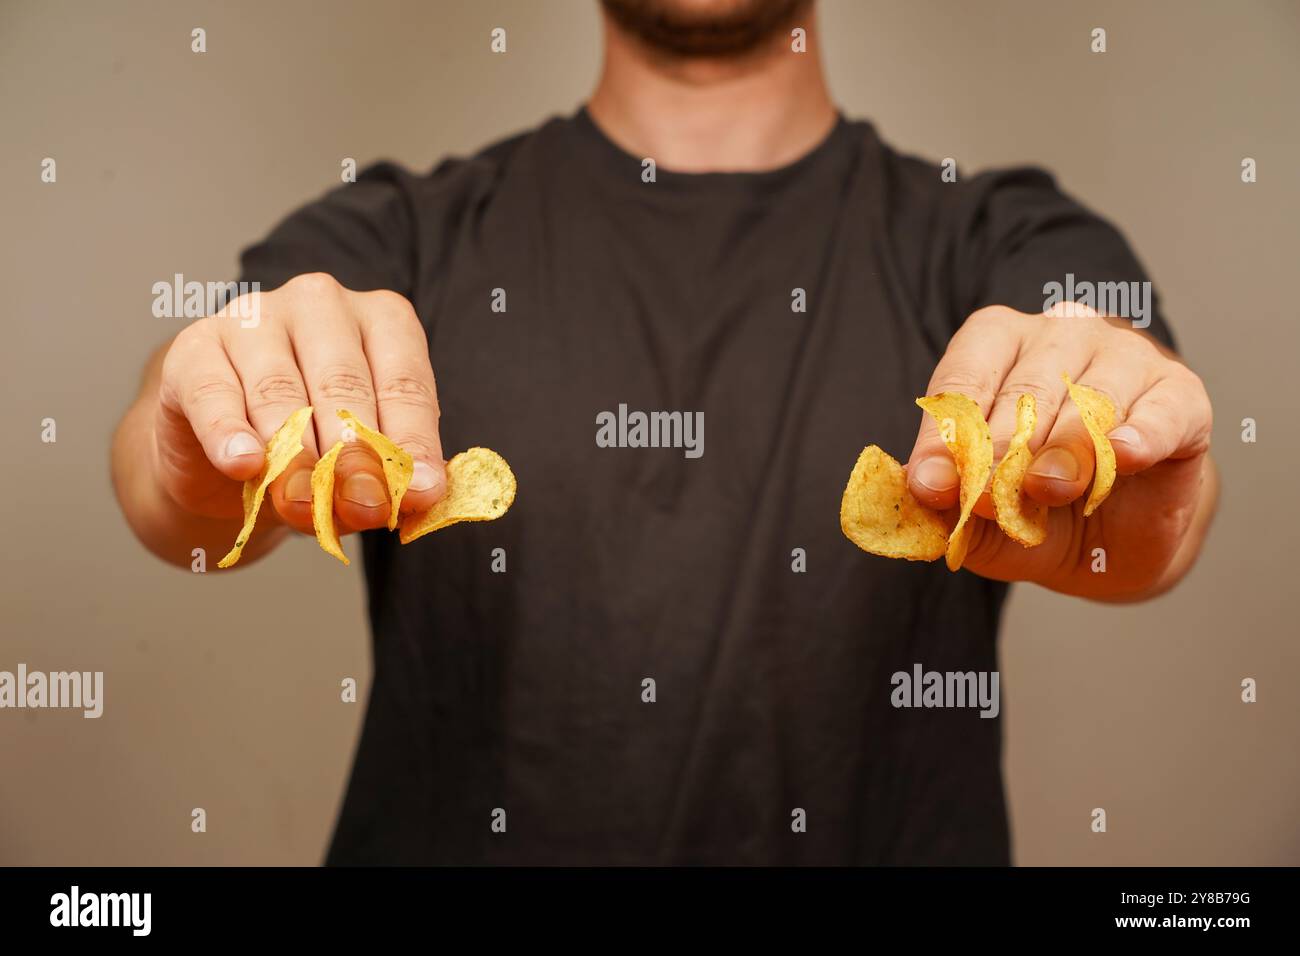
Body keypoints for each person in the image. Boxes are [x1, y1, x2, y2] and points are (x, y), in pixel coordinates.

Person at [111, 0, 1217, 864]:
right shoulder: (394, 232)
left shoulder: (1000, 238)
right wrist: (189, 441)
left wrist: (1144, 486)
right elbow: (172, 477)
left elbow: (1147, 458)